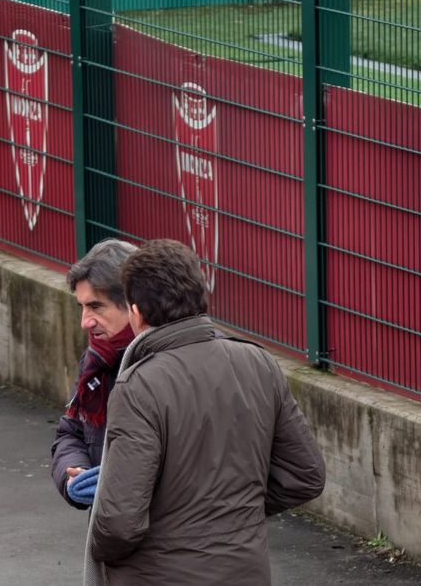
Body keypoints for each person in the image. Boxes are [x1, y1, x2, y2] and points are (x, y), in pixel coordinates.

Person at [86, 239, 326, 586]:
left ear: (136, 312)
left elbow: (120, 522)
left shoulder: (139, 385)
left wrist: (101, 547)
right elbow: (306, 474)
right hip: (245, 571)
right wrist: (232, 517)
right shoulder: (258, 363)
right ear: (200, 295)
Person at [49, 239, 137, 508]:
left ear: (133, 302)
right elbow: (70, 432)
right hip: (114, 532)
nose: (84, 322)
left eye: (96, 307)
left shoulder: (178, 361)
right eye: (82, 307)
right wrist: (75, 473)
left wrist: (115, 484)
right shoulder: (95, 359)